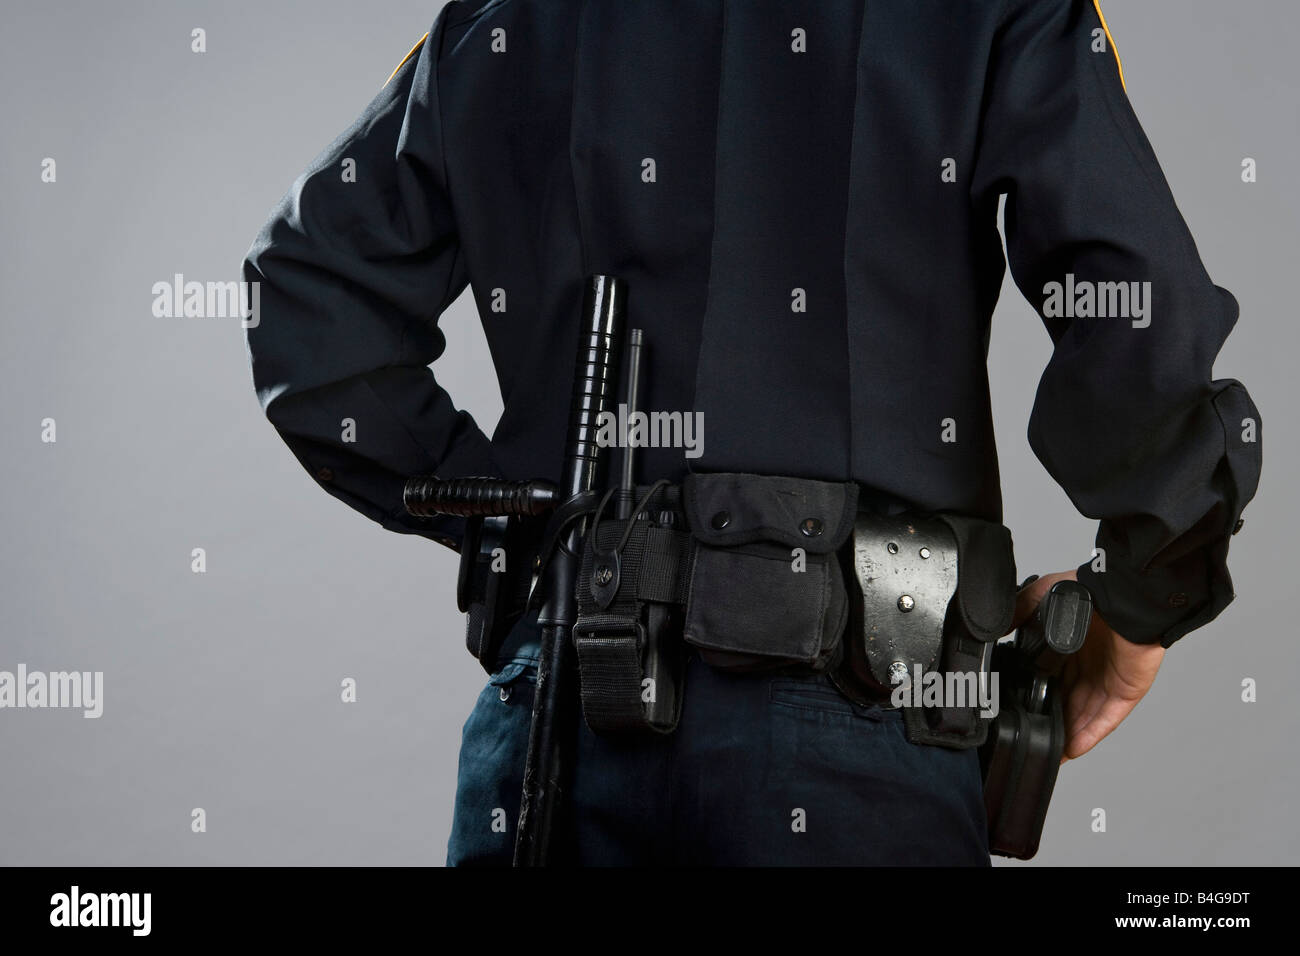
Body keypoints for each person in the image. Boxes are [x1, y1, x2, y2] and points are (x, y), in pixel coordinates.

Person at [242, 0, 1261, 865]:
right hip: (858, 733)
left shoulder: (505, 20)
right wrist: (1140, 596)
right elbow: (1139, 306)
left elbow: (308, 296)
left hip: (557, 719)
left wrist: (521, 527)